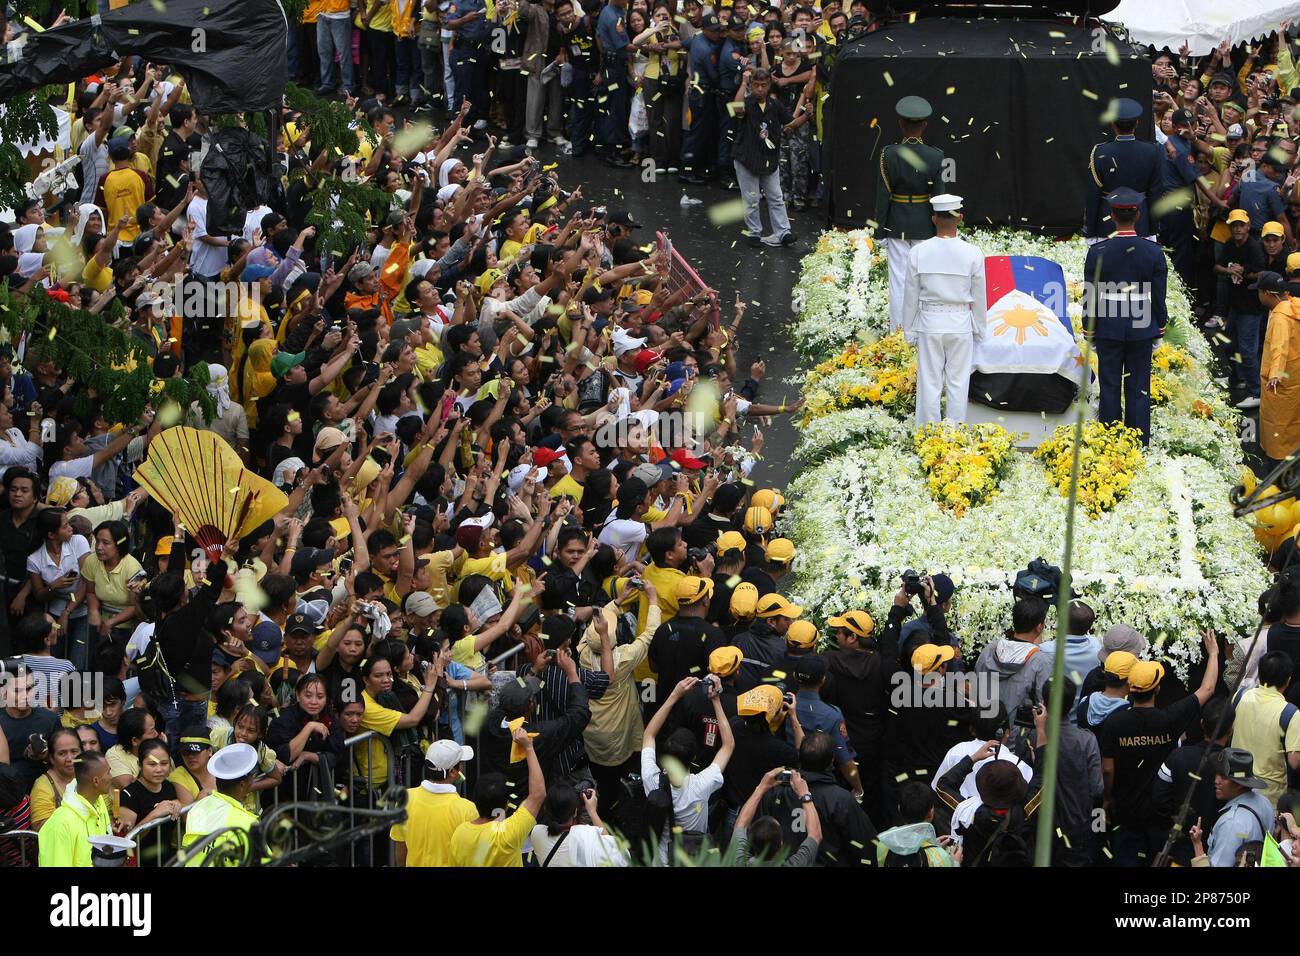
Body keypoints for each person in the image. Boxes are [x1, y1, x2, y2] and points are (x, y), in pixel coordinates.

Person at [1099, 628, 1220, 867]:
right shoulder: (1170, 719)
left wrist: (1108, 797)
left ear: (1130, 688)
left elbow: (1107, 770)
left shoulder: (1114, 723)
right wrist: (1214, 654)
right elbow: (1207, 690)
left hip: (1125, 811)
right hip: (1161, 814)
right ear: (1157, 689)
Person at [1082, 187, 1169, 446]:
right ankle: (1138, 441)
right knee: (1139, 387)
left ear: (1111, 215)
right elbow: (1159, 296)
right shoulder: (1153, 251)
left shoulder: (1098, 251)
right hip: (1141, 325)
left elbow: (1091, 294)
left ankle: (1110, 441)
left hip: (1108, 325)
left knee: (1109, 385)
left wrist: (1089, 329)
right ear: (1138, 214)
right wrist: (1159, 327)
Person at [900, 193, 987, 427]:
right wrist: (980, 329)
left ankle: (928, 433)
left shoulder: (919, 251)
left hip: (930, 321)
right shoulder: (973, 253)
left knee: (929, 381)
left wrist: (908, 329)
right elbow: (979, 297)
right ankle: (954, 432)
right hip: (960, 322)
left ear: (934, 218)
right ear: (960, 218)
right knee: (958, 382)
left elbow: (910, 296)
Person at [641, 674, 733, 864]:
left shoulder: (652, 779)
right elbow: (728, 745)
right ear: (693, 758)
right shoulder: (702, 784)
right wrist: (715, 700)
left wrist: (674, 695)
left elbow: (649, 735)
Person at [876, 95, 946, 332]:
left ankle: (899, 331)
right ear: (924, 125)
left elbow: (883, 196)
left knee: (898, 280)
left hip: (897, 224)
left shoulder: (889, 153)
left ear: (900, 124)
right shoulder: (936, 155)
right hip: (926, 225)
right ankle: (923, 328)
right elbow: (939, 198)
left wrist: (880, 230)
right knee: (925, 280)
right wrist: (941, 230)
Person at [449, 725, 546, 866]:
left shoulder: (460, 833)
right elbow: (538, 795)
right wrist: (529, 748)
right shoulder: (508, 833)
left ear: (475, 801)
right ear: (506, 805)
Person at [730, 67, 795, 248]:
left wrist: (805, 113)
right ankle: (754, 233)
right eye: (756, 85)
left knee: (775, 196)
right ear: (751, 85)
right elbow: (736, 108)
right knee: (751, 198)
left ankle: (783, 232)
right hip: (746, 157)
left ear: (769, 86)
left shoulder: (775, 105)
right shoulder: (747, 103)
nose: (760, 89)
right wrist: (743, 83)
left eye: (763, 85)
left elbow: (790, 122)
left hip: (769, 157)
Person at [1084, 97, 1163, 242]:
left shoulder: (1100, 151)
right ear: (1137, 123)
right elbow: (1155, 193)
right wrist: (1153, 228)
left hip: (1108, 223)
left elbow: (1093, 196)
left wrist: (1090, 230)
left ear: (1113, 124)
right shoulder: (1152, 151)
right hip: (1141, 222)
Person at [390, 738, 478, 867]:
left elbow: (401, 850)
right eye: (461, 763)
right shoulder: (468, 809)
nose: (463, 767)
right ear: (453, 772)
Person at [1229, 651, 1300, 806]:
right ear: (1288, 680)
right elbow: (1295, 762)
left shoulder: (1239, 697)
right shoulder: (1290, 713)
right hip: (1269, 798)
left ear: (1260, 675)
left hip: (1236, 785)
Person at [1214, 209, 1267, 408]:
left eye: (1241, 225)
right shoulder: (1229, 244)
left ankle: (1255, 392)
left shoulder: (1253, 248)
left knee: (1247, 350)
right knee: (1228, 345)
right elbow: (1216, 267)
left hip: (1251, 309)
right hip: (1235, 307)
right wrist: (1229, 271)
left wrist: (1244, 272)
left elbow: (1262, 273)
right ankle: (1236, 379)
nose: (1237, 229)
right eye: (1234, 225)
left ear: (1247, 226)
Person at [180, 742, 262, 866]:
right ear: (242, 785)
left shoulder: (199, 806)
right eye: (252, 776)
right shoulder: (248, 823)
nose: (253, 780)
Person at [36, 749, 113, 867]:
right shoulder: (60, 825)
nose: (111, 777)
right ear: (96, 781)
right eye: (108, 772)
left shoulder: (99, 801)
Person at [731, 766, 821, 866]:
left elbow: (740, 824)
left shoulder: (740, 862)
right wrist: (804, 794)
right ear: (781, 845)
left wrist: (761, 788)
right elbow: (815, 834)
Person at [1257, 271, 1300, 468]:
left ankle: (1278, 473)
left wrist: (1275, 374)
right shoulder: (1293, 306)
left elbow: (1279, 348)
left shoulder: (1281, 317)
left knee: (1279, 430)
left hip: (1281, 384)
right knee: (1292, 427)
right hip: (1294, 378)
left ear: (1267, 293)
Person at [1204, 747, 1274, 866]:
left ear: (1239, 784)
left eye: (1223, 776)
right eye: (1217, 774)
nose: (1216, 780)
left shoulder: (1230, 823)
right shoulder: (1264, 802)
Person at [529, 783, 629, 866]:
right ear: (576, 812)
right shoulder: (587, 835)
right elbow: (617, 853)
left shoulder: (536, 833)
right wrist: (592, 812)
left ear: (546, 809)